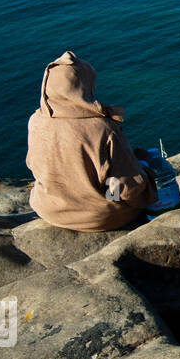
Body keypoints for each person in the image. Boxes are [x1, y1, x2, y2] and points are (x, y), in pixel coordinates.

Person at [26, 51, 157, 231]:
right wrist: (145, 170)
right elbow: (124, 187)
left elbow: (33, 164)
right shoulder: (102, 129)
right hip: (99, 217)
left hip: (49, 210)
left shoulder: (36, 121)